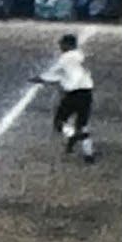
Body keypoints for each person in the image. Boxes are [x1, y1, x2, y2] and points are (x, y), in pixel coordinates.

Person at [30, 33, 97, 163]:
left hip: (73, 94)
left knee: (59, 123)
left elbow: (53, 74)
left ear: (67, 45)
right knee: (82, 124)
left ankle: (72, 135)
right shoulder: (81, 56)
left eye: (62, 43)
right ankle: (88, 155)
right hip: (87, 93)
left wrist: (39, 78)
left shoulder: (65, 59)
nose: (60, 46)